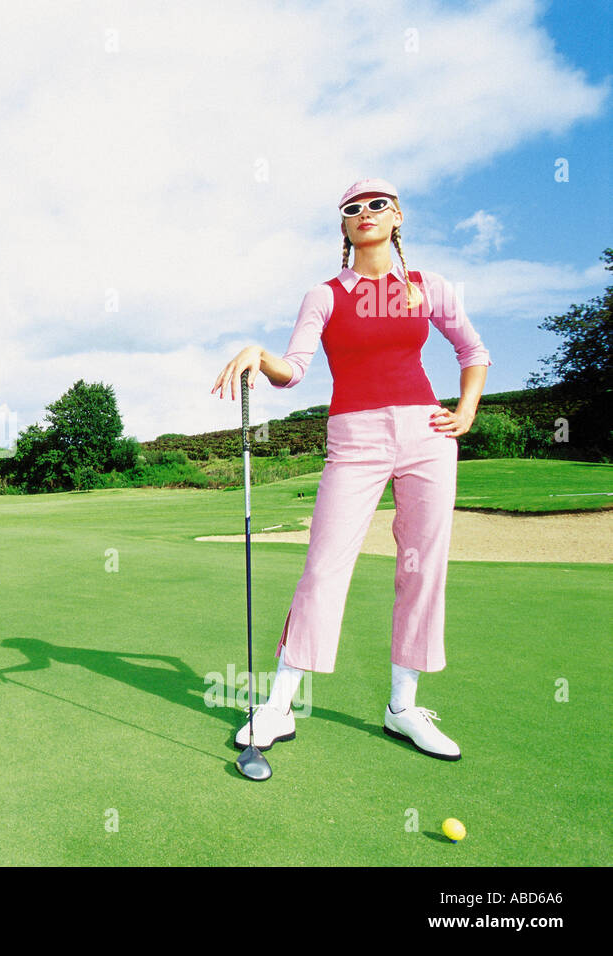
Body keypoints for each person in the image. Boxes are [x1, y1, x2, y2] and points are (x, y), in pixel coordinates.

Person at [211, 178, 490, 762]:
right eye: (352, 209)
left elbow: (473, 350)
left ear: (397, 217)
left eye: (377, 205)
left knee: (422, 567)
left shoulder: (427, 288)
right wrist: (259, 356)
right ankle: (281, 705)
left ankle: (403, 707)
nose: (365, 213)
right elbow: (295, 370)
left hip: (426, 435)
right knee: (324, 565)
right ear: (343, 226)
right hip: (355, 436)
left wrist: (464, 411)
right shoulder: (325, 295)